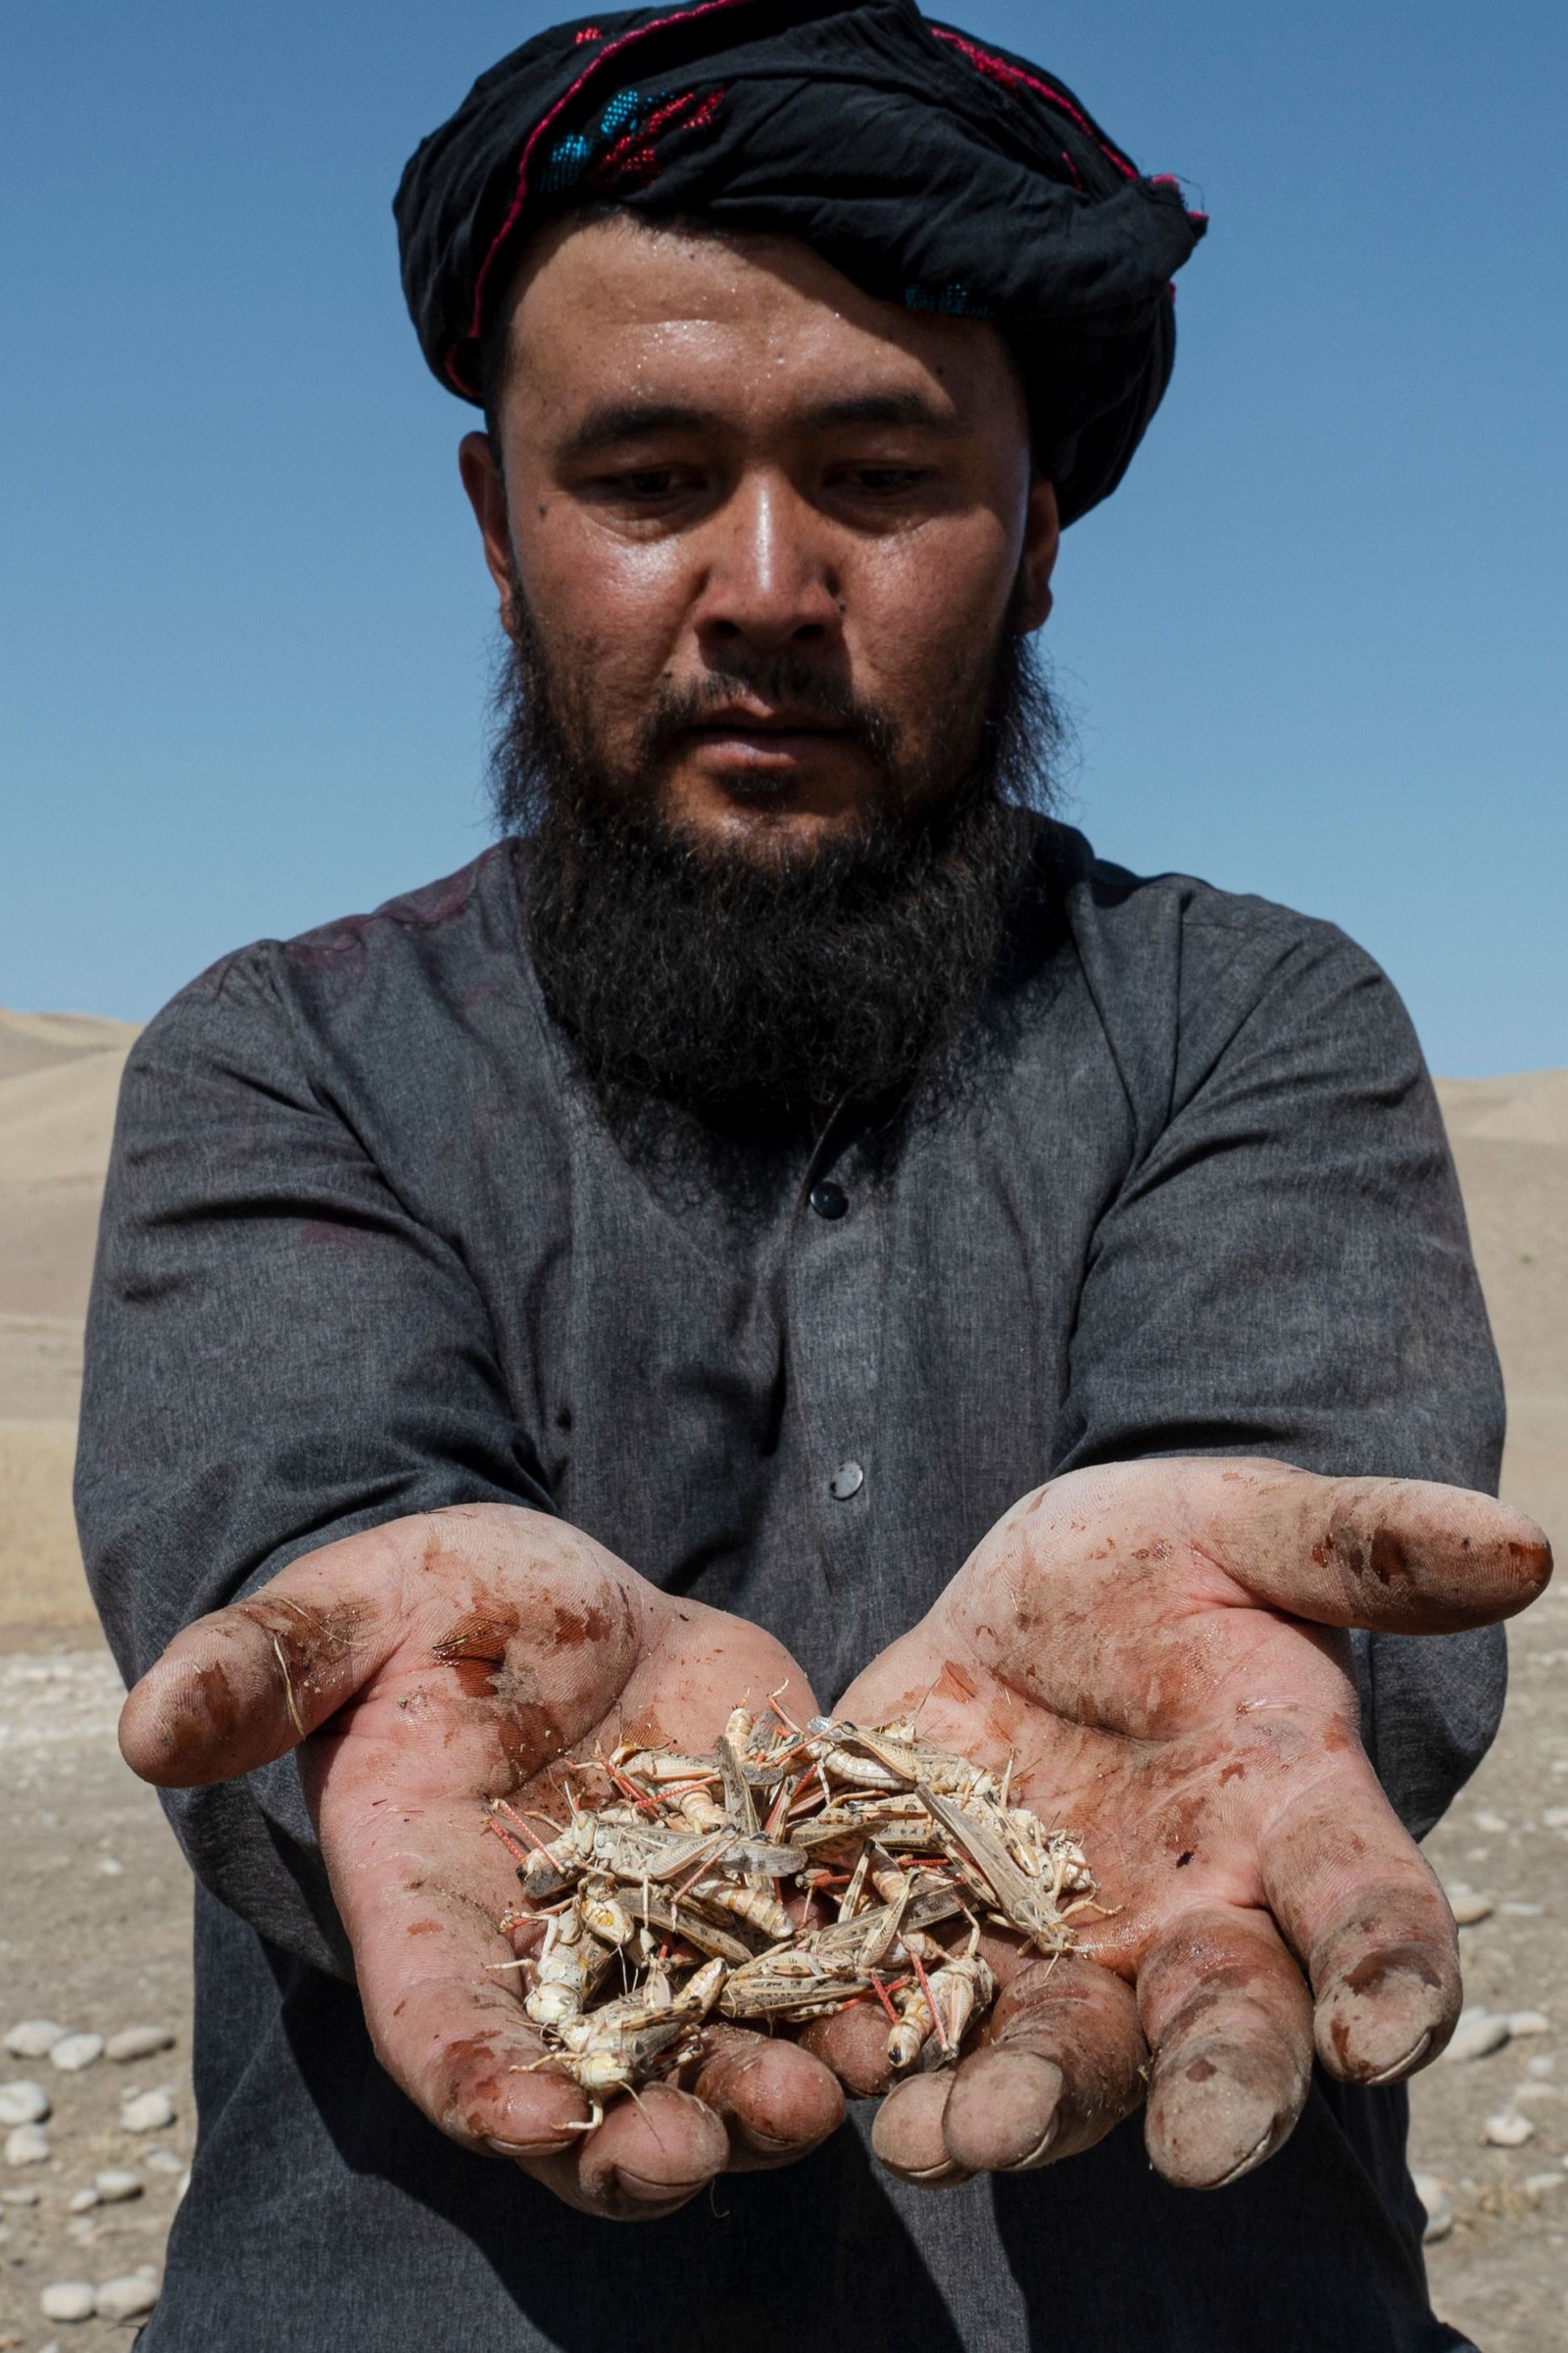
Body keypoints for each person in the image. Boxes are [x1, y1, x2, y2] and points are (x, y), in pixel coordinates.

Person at [78, 4, 1550, 2347]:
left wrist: (1220, 1647)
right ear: (495, 528)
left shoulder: (1250, 1021)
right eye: (647, 477)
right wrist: (390, 1656)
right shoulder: (286, 1060)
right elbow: (294, 1540)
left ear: (1040, 530)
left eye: (876, 476)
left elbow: (1289, 1534)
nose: (763, 583)